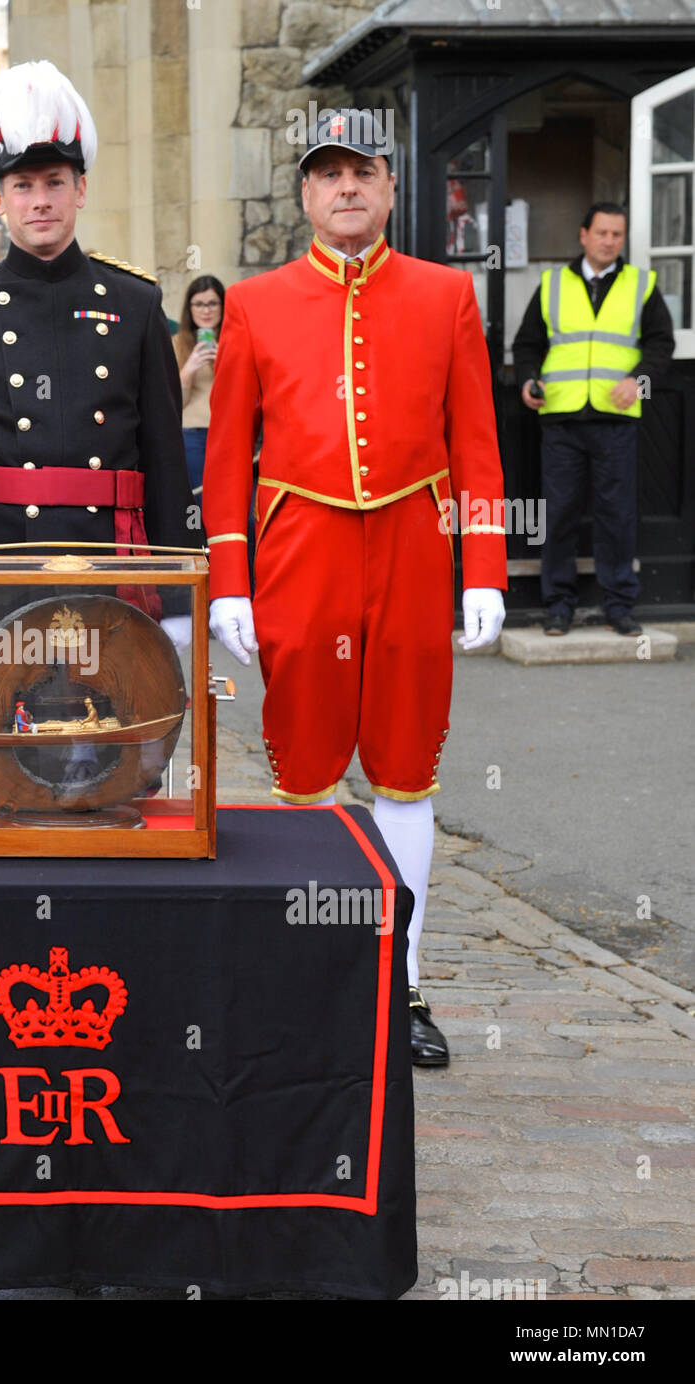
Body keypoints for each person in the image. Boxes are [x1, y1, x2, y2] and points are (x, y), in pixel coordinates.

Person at [203, 108, 509, 1068]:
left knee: (407, 770)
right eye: (328, 173)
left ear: (387, 186)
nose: (346, 188)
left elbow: (476, 445)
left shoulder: (445, 293)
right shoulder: (255, 303)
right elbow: (225, 459)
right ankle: (314, 986)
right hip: (302, 555)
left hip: (417, 550)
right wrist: (230, 581)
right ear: (306, 193)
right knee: (304, 774)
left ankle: (401, 984)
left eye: (362, 172)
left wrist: (486, 566)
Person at [0, 59, 195, 654]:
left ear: (81, 190)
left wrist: (180, 593)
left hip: (114, 570)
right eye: (22, 186)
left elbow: (166, 457)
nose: (40, 201)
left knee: (112, 736)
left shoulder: (135, 301)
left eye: (54, 183)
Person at [512, 202, 674, 636]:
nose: (609, 242)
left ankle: (619, 606)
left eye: (617, 235)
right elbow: (527, 345)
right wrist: (528, 381)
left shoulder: (642, 285)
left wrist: (638, 382)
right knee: (560, 514)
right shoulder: (551, 284)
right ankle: (558, 608)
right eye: (602, 233)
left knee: (616, 515)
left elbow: (662, 347)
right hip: (560, 418)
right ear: (583, 235)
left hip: (615, 420)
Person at [172, 275, 226, 497]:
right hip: (192, 434)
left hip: (227, 433)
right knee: (197, 499)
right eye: (199, 304)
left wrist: (224, 361)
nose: (206, 311)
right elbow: (173, 402)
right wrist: (189, 369)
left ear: (223, 306)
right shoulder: (176, 343)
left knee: (235, 505)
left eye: (212, 303)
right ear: (190, 308)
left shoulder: (237, 340)